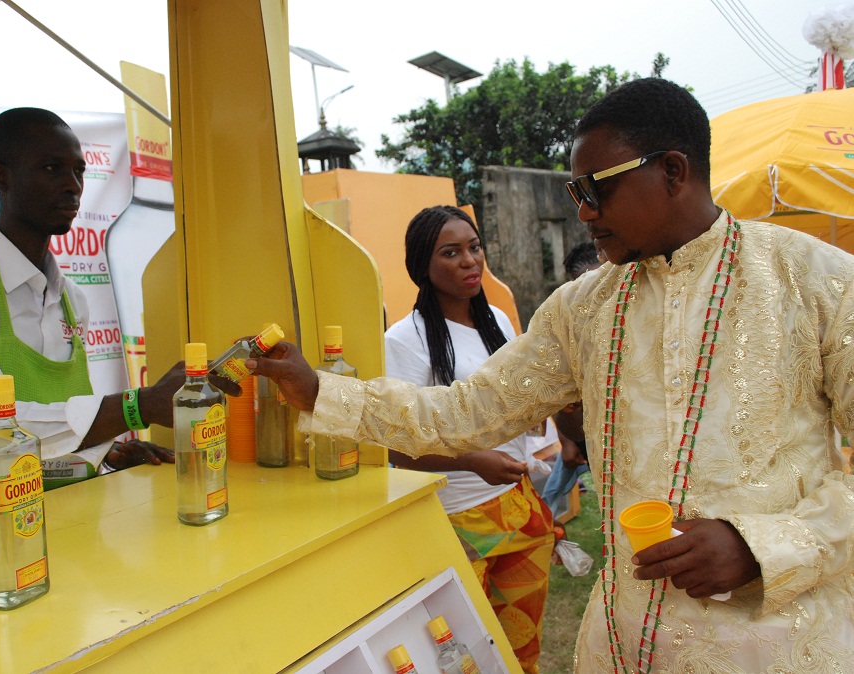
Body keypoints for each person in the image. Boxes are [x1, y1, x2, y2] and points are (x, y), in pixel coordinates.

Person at [250, 78, 854, 671]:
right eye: (575, 192)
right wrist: (318, 389)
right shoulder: (581, 309)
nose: (584, 211)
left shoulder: (817, 281)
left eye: (597, 189)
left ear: (673, 171)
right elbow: (466, 412)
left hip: (780, 645)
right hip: (625, 642)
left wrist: (764, 545)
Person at [0, 108, 224, 527]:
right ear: (2, 176)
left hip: (66, 515)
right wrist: (137, 406)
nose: (72, 187)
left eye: (79, 171)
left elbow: (57, 416)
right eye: (52, 169)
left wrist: (102, 453)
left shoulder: (71, 298)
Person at [384, 205, 553, 673]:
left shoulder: (497, 319)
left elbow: (513, 396)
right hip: (455, 521)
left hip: (518, 509)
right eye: (451, 253)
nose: (469, 261)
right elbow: (396, 447)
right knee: (466, 655)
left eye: (474, 247)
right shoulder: (404, 340)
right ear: (423, 266)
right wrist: (472, 460)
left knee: (521, 644)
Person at [539, 242, 600, 521]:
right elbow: (557, 392)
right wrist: (566, 442)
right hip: (584, 439)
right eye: (580, 287)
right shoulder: (571, 333)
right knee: (551, 495)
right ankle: (545, 524)